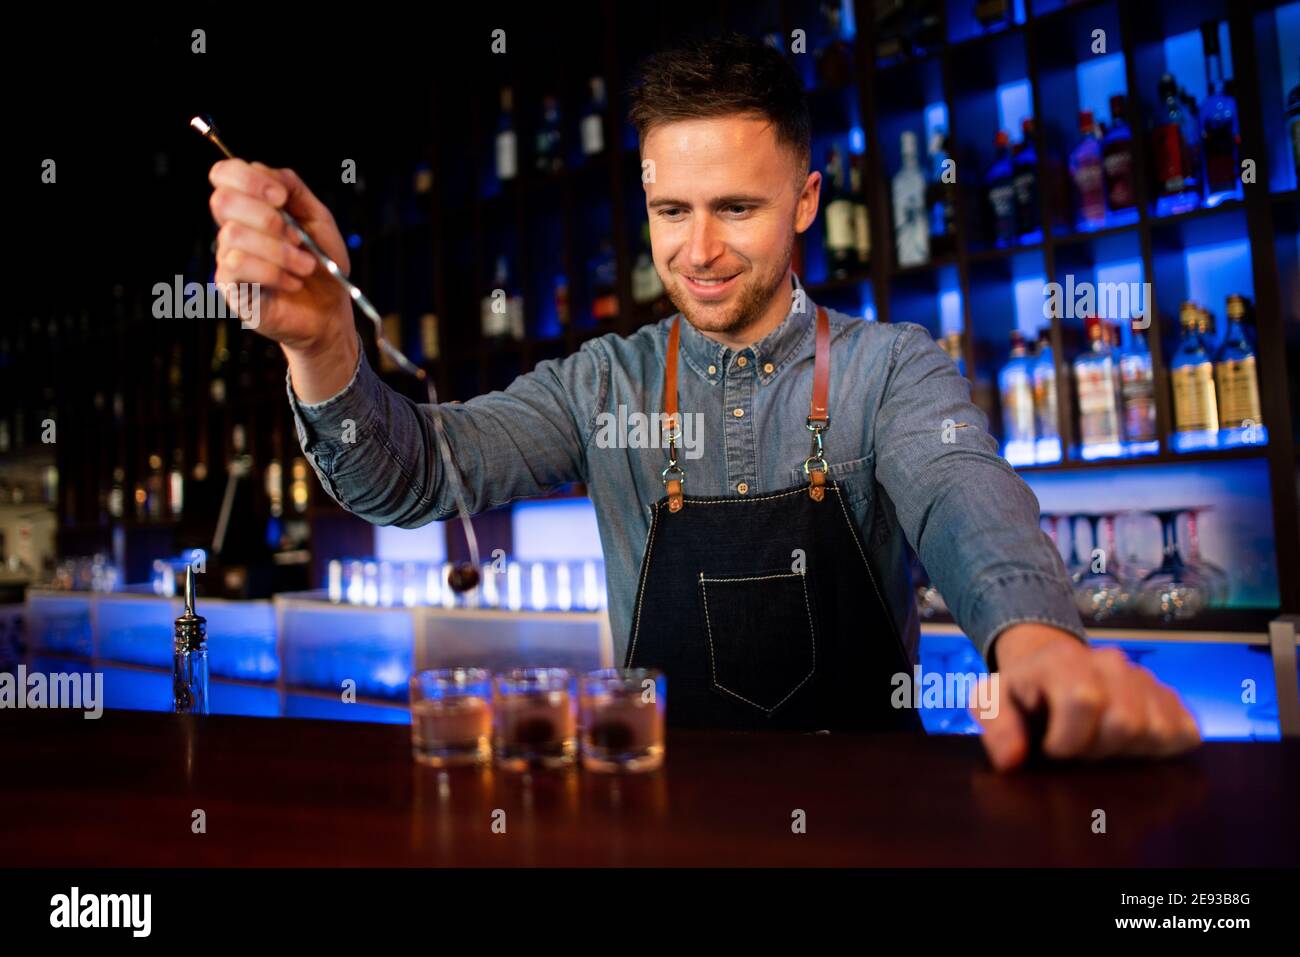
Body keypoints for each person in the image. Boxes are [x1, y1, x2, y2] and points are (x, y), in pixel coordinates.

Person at [206, 32, 1199, 769]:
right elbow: (415, 475)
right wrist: (322, 342)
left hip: (880, 819)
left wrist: (1036, 649)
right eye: (671, 211)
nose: (700, 249)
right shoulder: (603, 384)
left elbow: (968, 502)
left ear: (805, 201)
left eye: (737, 207)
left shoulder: (891, 371)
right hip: (658, 811)